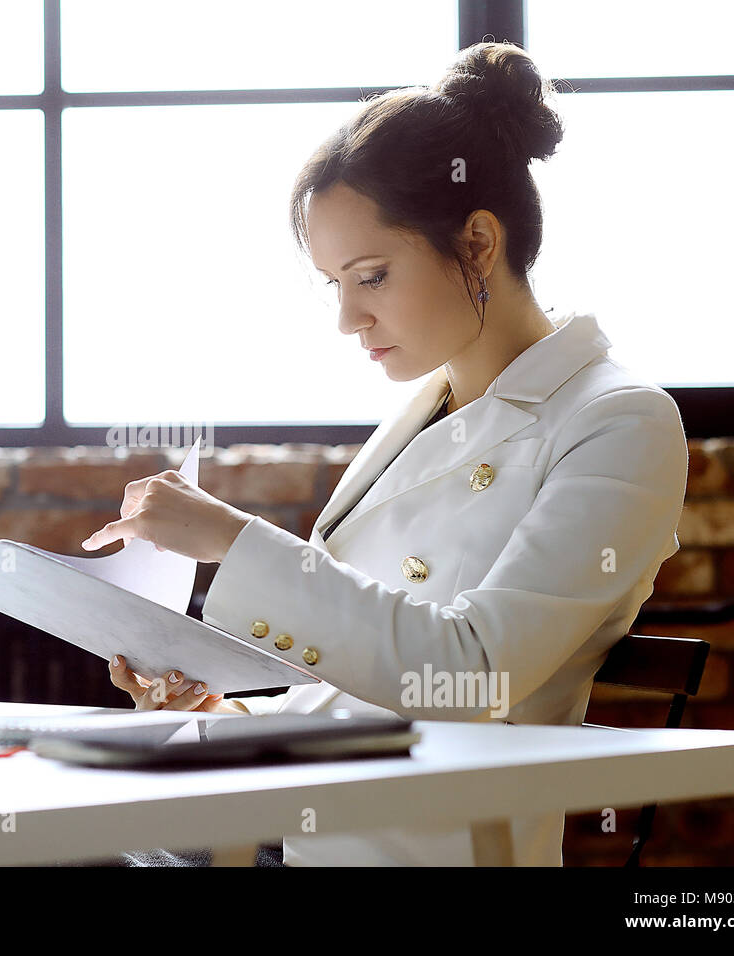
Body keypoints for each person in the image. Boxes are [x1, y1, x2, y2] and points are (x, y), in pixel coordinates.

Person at [79, 41, 688, 866]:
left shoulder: (619, 420)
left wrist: (232, 538)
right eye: (335, 284)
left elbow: (472, 675)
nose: (347, 319)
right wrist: (230, 715)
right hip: (308, 826)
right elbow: (356, 674)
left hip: (430, 842)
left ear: (477, 242)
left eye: (371, 276)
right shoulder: (418, 411)